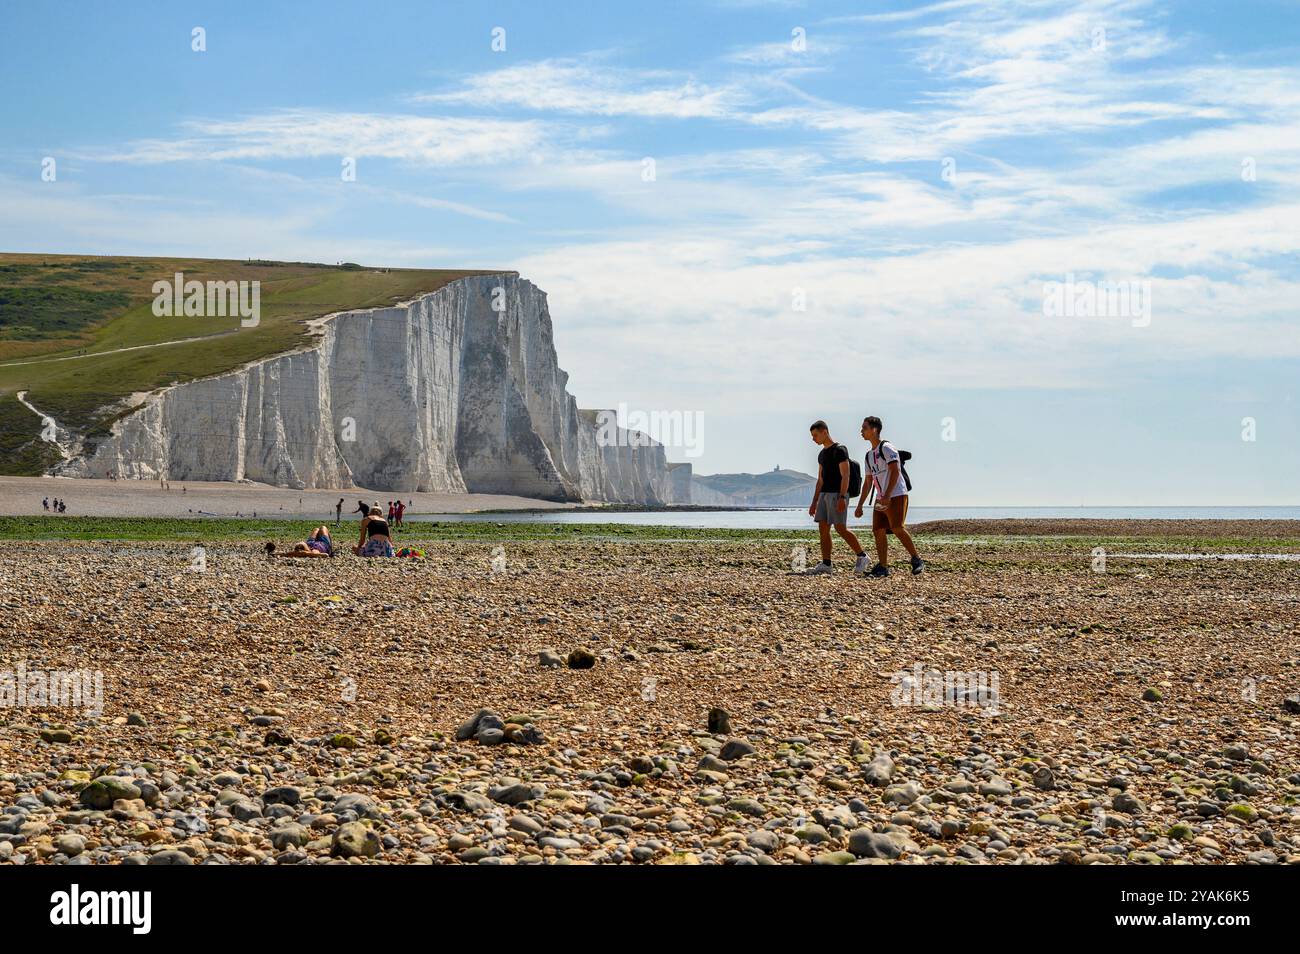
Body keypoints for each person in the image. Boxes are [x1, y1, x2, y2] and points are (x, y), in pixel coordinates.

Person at [855, 415, 925, 578]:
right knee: (878, 530)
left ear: (874, 430)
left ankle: (917, 559)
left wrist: (887, 495)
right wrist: (859, 505)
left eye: (864, 428)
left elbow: (895, 471)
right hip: (881, 498)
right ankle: (883, 566)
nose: (861, 431)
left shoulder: (887, 448)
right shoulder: (868, 456)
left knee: (897, 527)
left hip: (896, 494)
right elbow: (867, 482)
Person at [805, 420, 869, 575]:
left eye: (815, 435)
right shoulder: (821, 454)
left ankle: (862, 556)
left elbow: (845, 475)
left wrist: (842, 497)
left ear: (824, 432)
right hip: (824, 494)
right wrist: (814, 502)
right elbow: (820, 479)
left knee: (840, 528)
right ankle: (826, 564)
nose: (813, 439)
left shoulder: (840, 450)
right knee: (823, 528)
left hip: (838, 494)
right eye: (812, 436)